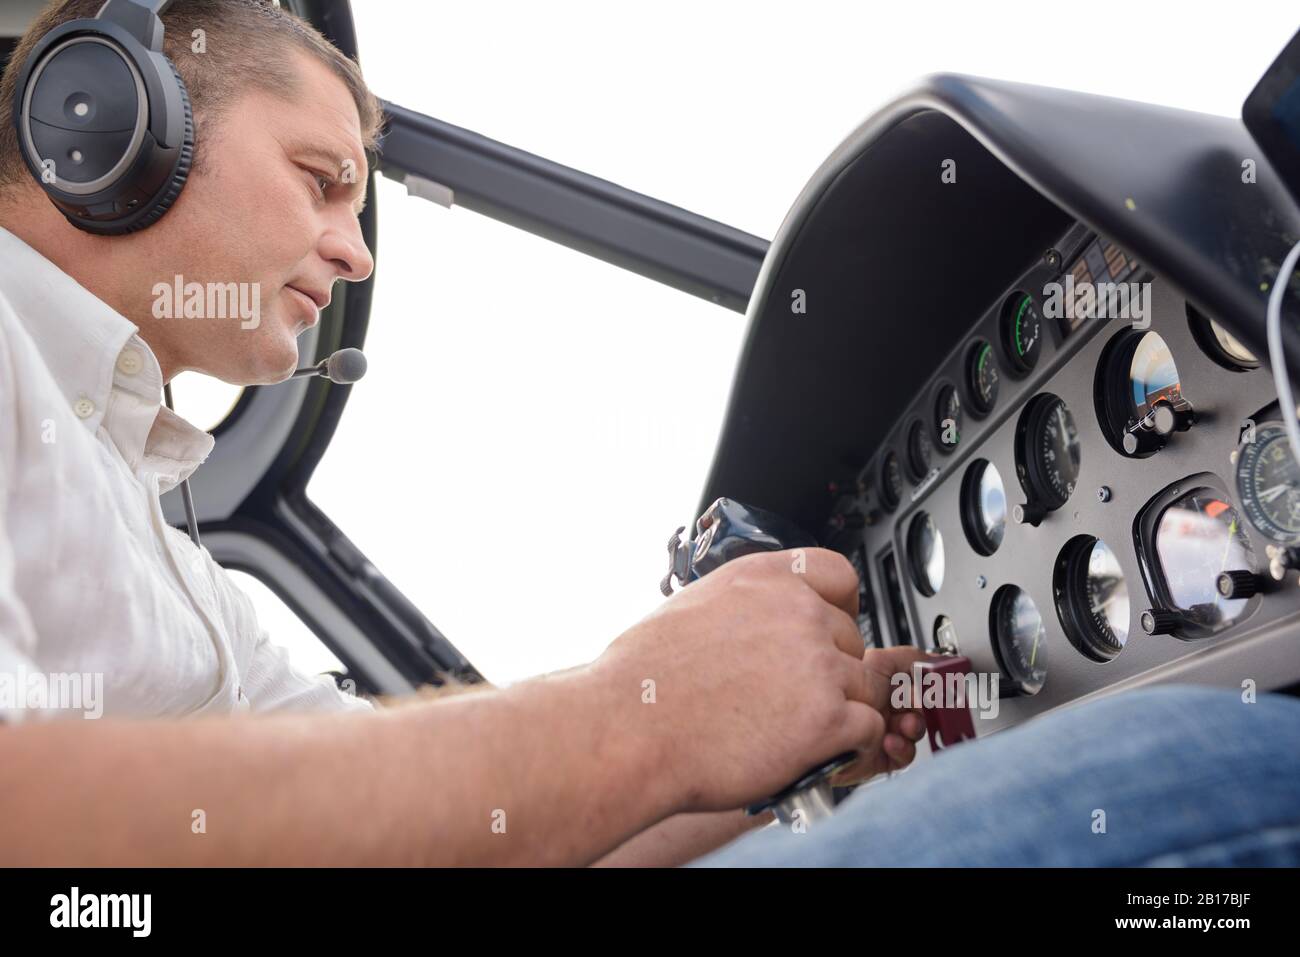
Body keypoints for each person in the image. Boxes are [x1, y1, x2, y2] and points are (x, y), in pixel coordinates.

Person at [3, 1, 1297, 870]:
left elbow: (421, 811)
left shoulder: (156, 538)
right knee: (1247, 756)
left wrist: (757, 742)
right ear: (106, 125)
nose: (349, 247)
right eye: (320, 178)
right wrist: (638, 713)